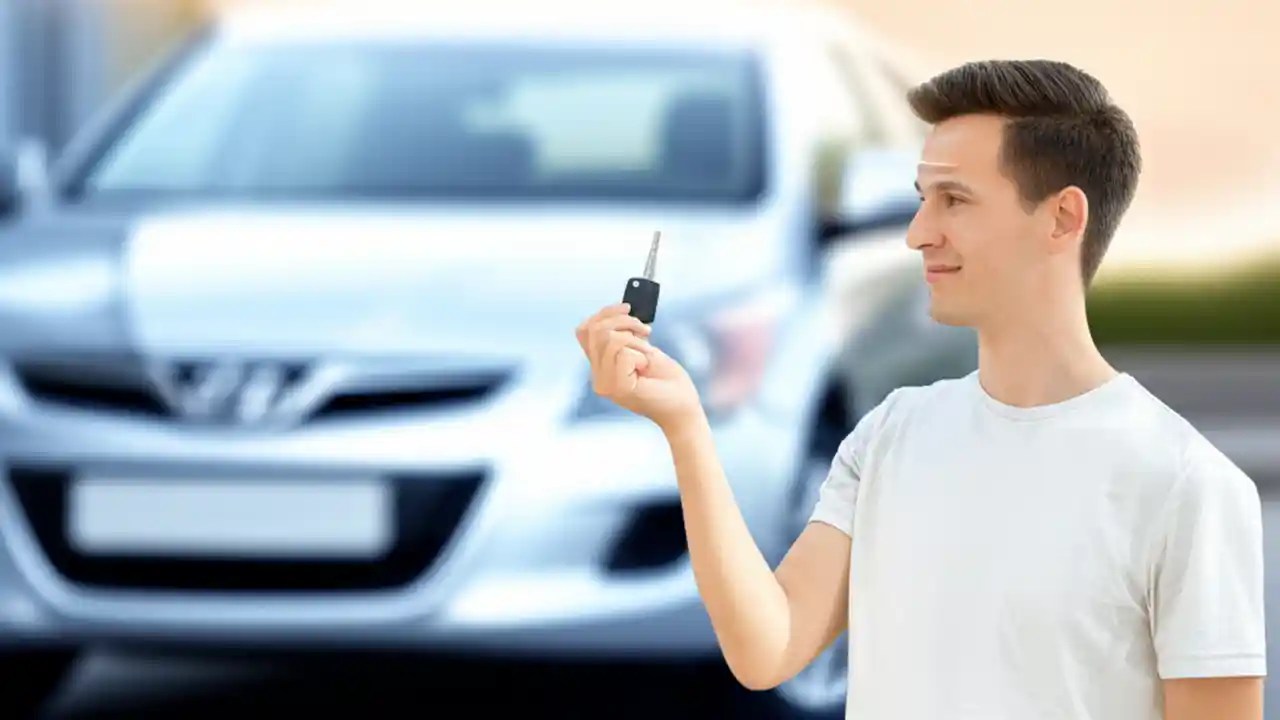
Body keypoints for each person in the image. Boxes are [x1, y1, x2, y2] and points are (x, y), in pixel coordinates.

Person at [574, 59, 1265, 719]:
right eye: (921, 200)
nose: (916, 234)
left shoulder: (1187, 486)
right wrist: (686, 428)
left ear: (1062, 218)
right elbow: (768, 646)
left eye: (953, 200)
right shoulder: (890, 435)